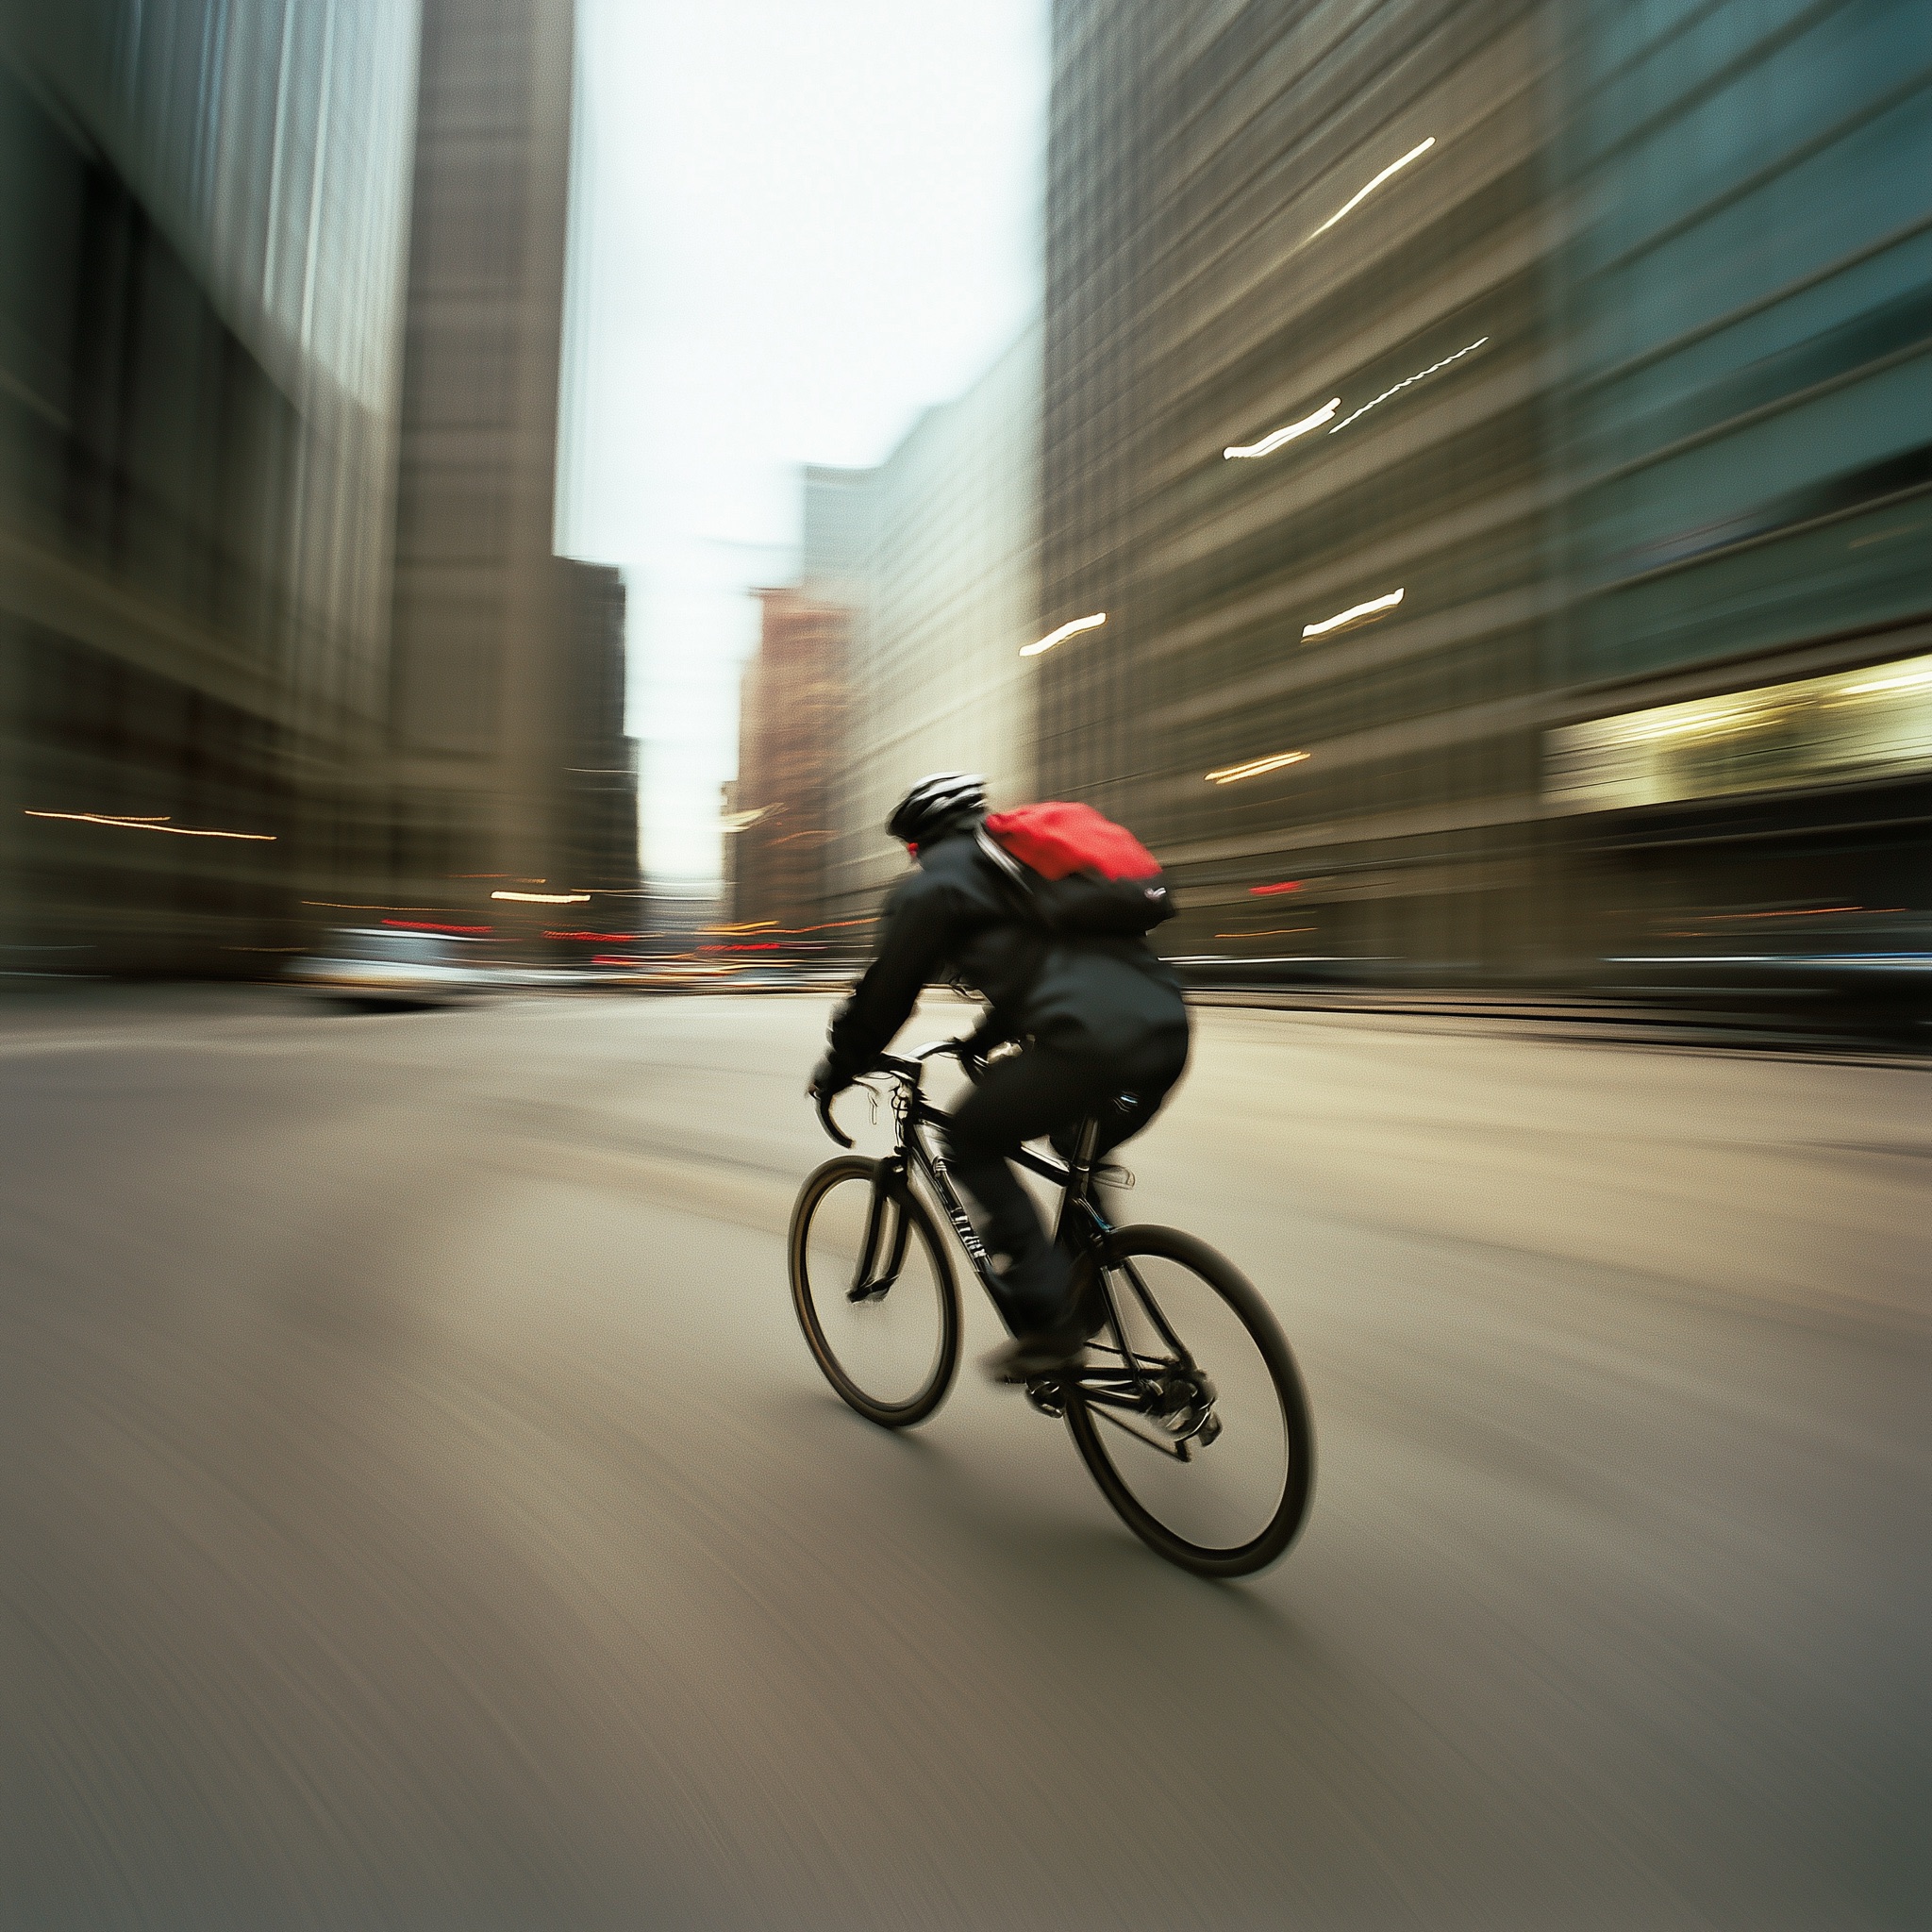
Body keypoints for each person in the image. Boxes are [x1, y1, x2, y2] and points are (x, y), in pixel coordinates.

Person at [808, 772, 1191, 1379]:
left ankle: (1050, 1324)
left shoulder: (934, 887)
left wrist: (839, 1065)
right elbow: (1050, 967)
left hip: (1087, 1044)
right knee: (1073, 1143)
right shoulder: (1027, 870)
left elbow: (887, 993)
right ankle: (1085, 1279)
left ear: (917, 841)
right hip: (1168, 1029)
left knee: (969, 1140)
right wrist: (981, 1040)